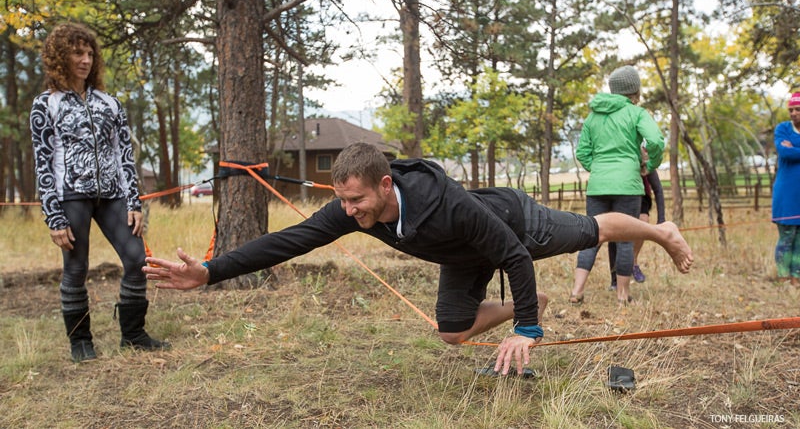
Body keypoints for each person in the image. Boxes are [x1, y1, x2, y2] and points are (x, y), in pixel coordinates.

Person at [144, 142, 692, 376]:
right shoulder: (353, 209)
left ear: (385, 186)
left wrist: (529, 328)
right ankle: (535, 304)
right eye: (342, 199)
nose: (348, 209)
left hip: (509, 224)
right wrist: (210, 271)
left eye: (356, 199)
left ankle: (658, 230)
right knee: (452, 331)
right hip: (462, 254)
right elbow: (292, 240)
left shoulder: (446, 203)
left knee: (590, 229)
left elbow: (512, 253)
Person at [29, 22, 170, 362]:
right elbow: (43, 164)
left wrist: (133, 201)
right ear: (60, 56)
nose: (86, 60)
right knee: (77, 269)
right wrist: (54, 215)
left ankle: (133, 335)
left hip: (112, 196)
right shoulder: (45, 105)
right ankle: (81, 343)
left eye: (90, 53)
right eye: (78, 53)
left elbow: (125, 155)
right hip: (70, 196)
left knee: (137, 259)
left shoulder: (110, 104)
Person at [569, 65, 665, 305]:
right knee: (625, 238)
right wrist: (649, 164)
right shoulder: (637, 113)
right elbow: (655, 140)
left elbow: (582, 152)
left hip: (598, 185)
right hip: (628, 185)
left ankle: (576, 291)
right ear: (635, 89)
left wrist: (599, 168)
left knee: (592, 236)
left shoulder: (593, 115)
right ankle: (622, 296)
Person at [609, 147, 666, 290]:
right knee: (616, 235)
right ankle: (615, 279)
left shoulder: (644, 163)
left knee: (642, 224)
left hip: (641, 197)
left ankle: (633, 262)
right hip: (619, 196)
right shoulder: (617, 162)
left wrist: (661, 219)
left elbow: (658, 190)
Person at [771, 92, 800, 285]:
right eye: (791, 109)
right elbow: (785, 152)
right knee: (787, 236)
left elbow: (793, 151)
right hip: (786, 194)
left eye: (797, 109)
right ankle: (783, 276)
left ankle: (796, 276)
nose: (793, 113)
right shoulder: (783, 129)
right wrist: (791, 150)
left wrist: (795, 148)